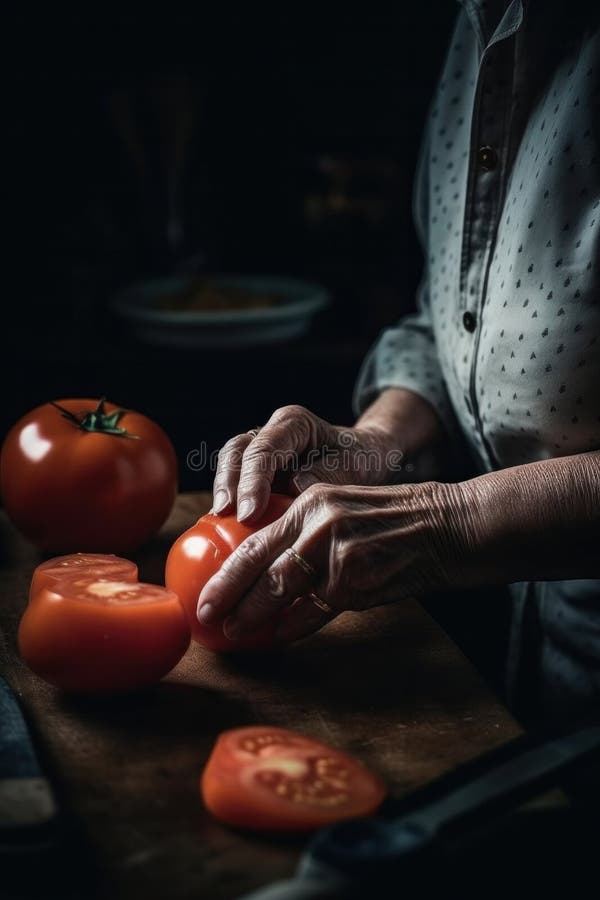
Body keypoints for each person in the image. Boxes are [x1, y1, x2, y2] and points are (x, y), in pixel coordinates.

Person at [197, 0, 600, 729]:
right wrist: (376, 445)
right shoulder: (483, 20)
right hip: (527, 670)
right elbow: (457, 319)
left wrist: (452, 524)